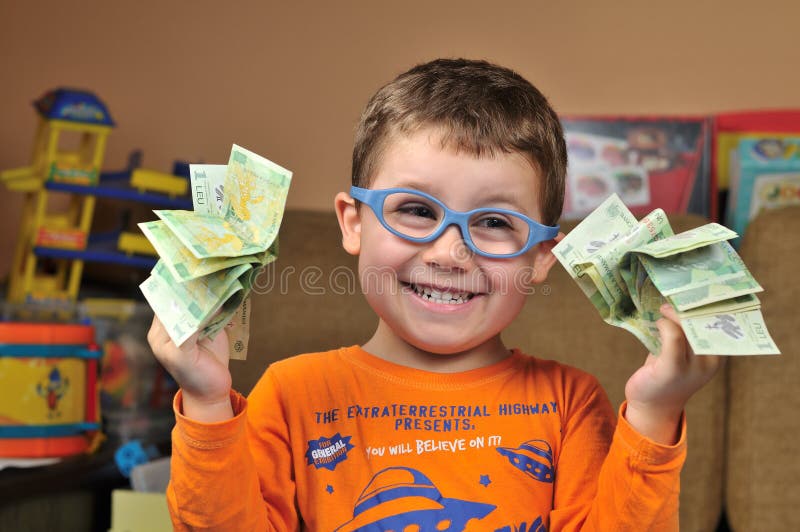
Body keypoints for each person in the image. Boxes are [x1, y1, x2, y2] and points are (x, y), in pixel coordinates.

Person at [147, 58, 721, 531]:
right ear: (353, 223)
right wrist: (205, 403)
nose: (451, 253)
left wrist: (654, 412)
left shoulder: (571, 406)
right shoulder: (291, 396)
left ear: (543, 256)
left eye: (496, 222)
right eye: (417, 211)